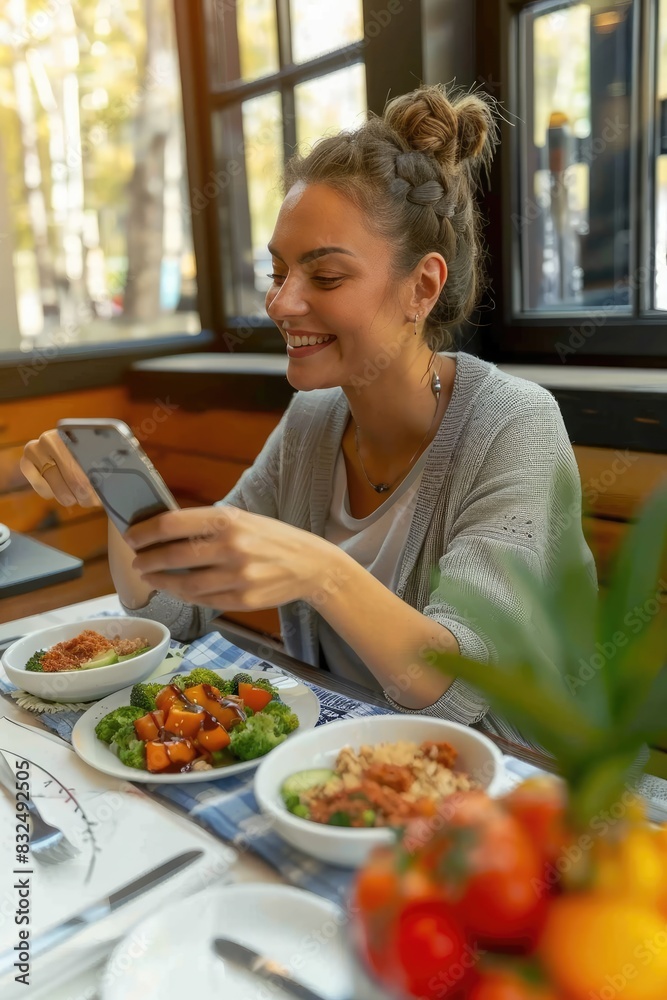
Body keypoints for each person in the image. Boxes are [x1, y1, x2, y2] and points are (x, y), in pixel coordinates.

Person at [21, 85, 596, 747]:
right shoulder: (313, 421)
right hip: (351, 754)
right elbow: (177, 606)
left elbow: (457, 687)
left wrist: (320, 571)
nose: (281, 303)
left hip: (530, 776)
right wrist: (116, 483)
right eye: (277, 272)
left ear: (422, 287)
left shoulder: (513, 425)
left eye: (324, 278)